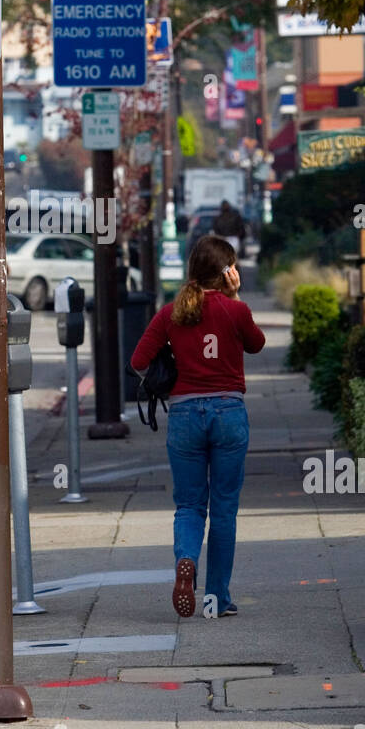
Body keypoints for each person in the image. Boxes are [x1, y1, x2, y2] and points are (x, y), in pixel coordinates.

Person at [130, 235, 265, 619]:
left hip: (185, 416)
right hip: (228, 414)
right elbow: (256, 344)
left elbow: (139, 360)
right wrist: (237, 300)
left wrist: (172, 373)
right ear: (228, 273)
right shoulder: (234, 312)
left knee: (189, 504)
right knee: (224, 509)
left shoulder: (171, 313)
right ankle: (216, 598)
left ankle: (186, 560)